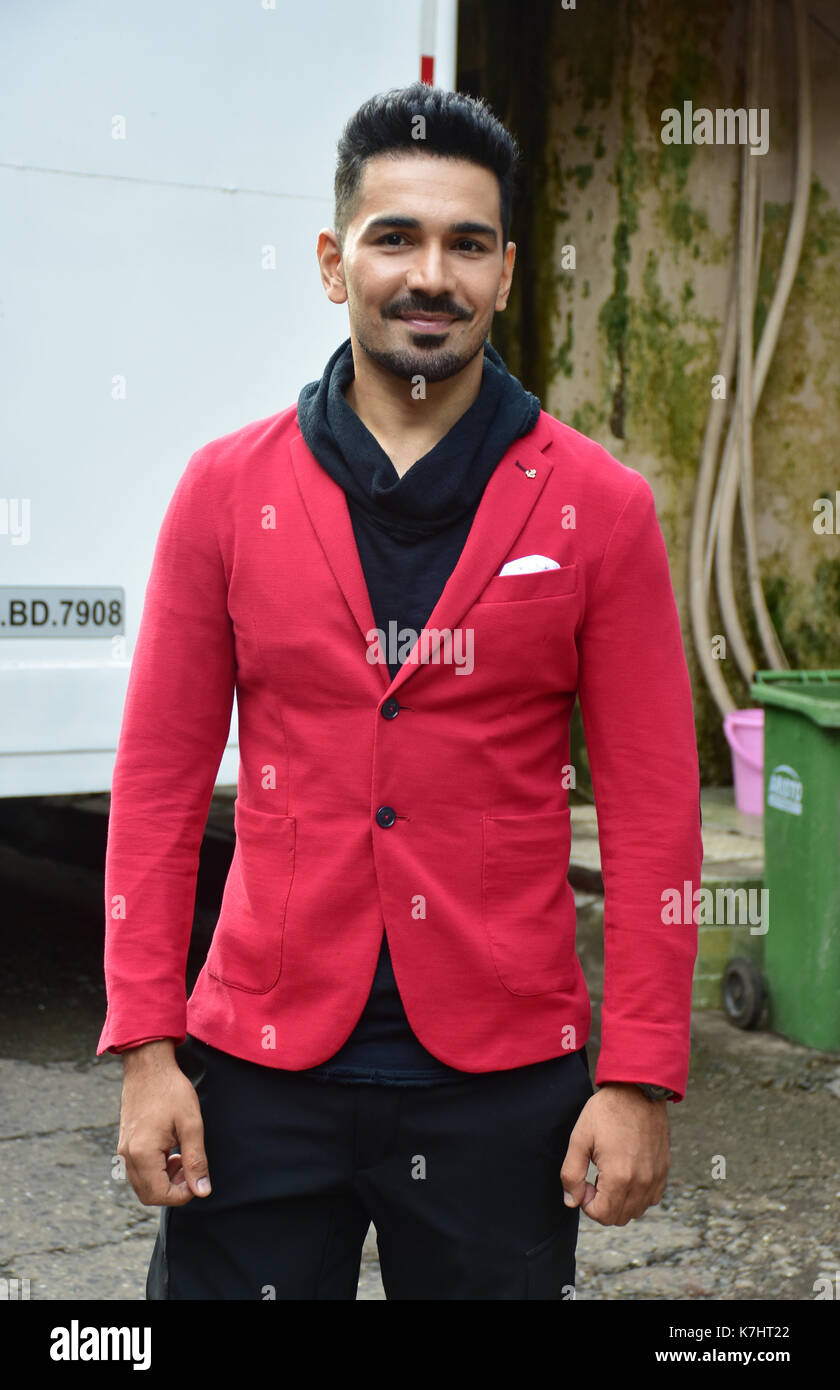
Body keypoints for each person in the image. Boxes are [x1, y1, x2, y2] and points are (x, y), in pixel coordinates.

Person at [99, 81, 703, 1301]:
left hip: (504, 1084)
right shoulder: (223, 492)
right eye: (396, 237)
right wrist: (146, 1049)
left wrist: (637, 1073)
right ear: (335, 262)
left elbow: (653, 811)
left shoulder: (602, 507)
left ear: (505, 273)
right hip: (260, 1070)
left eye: (465, 243)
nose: (430, 273)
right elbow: (159, 784)